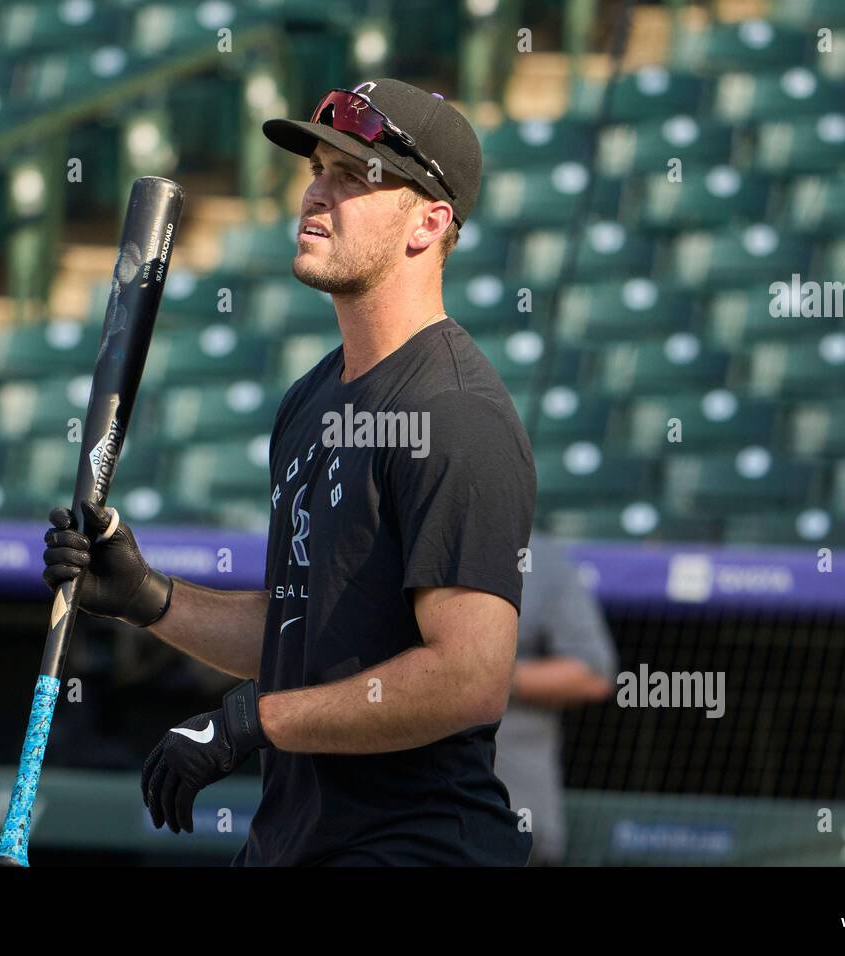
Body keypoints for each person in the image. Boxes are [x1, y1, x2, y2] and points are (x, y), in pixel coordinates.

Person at [42, 79, 538, 865]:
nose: (316, 192)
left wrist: (253, 720)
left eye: (353, 175)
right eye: (317, 168)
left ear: (430, 223)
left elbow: (468, 676)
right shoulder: (313, 397)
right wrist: (150, 599)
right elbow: (303, 635)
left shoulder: (458, 412)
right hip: (294, 844)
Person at [496, 535, 618, 866]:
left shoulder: (538, 556)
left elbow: (592, 673)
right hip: (407, 814)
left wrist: (480, 675)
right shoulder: (394, 542)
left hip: (513, 810)